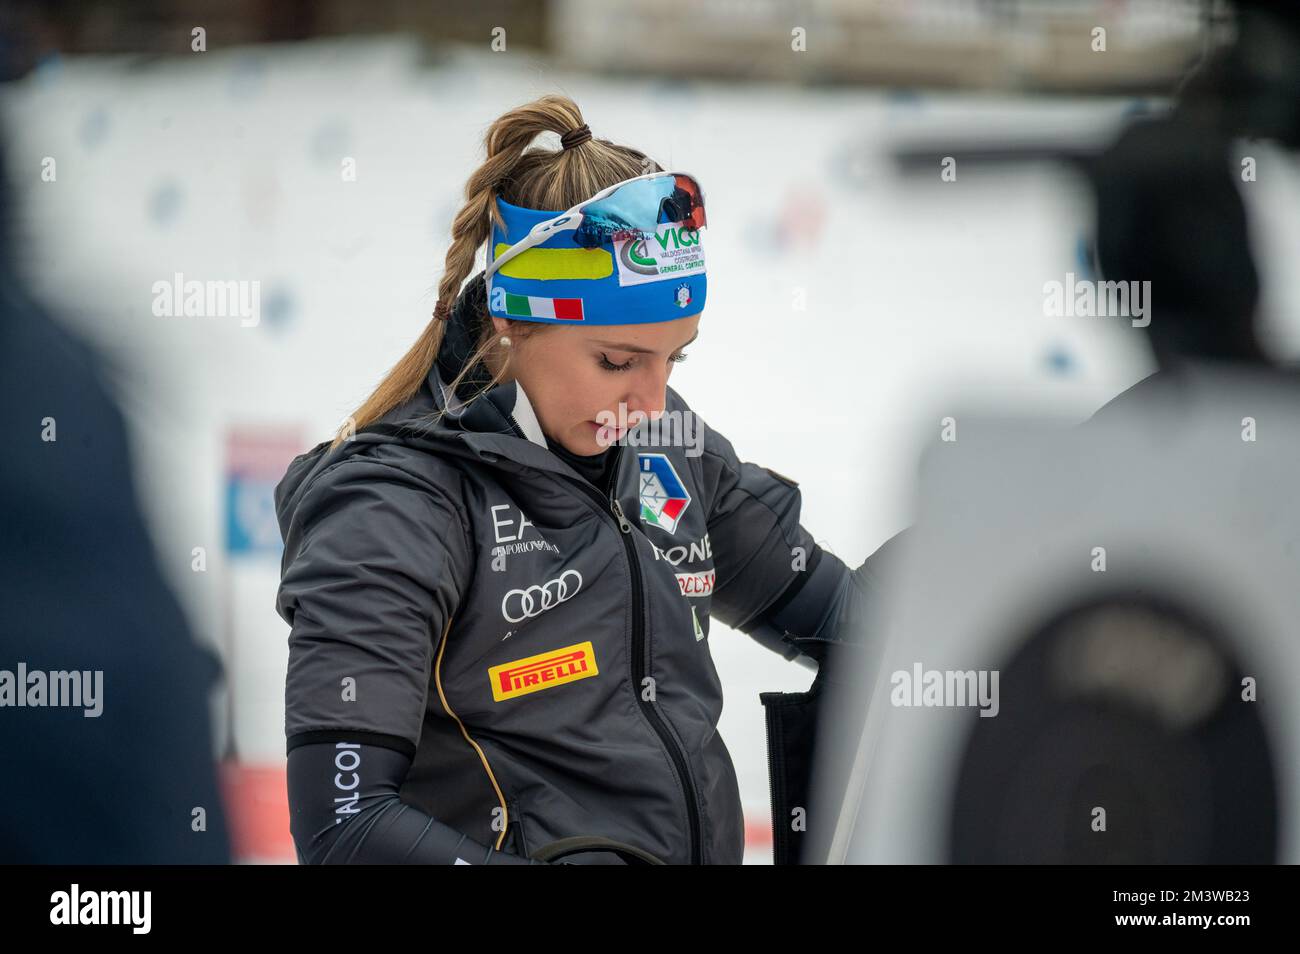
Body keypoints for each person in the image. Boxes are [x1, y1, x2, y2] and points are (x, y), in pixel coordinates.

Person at [276, 94, 892, 865]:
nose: (653, 402)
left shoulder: (666, 449)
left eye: (676, 359)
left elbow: (862, 626)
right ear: (513, 321)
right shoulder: (394, 508)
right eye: (617, 361)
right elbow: (344, 827)